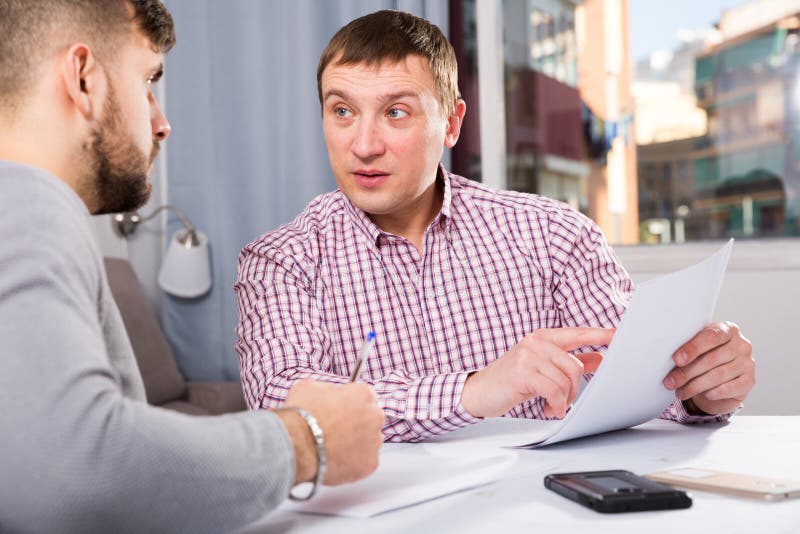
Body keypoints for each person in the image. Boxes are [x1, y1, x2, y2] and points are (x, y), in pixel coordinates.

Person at [234, 10, 755, 443]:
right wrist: (476, 390)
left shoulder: (555, 236)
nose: (364, 144)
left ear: (453, 124)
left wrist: (697, 388)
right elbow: (286, 408)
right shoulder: (280, 261)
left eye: (396, 112)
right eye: (342, 110)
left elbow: (635, 391)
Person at [0, 1, 385, 532]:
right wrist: (307, 438)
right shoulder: (27, 202)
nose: (161, 123)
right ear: (82, 78)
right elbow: (75, 468)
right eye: (147, 82)